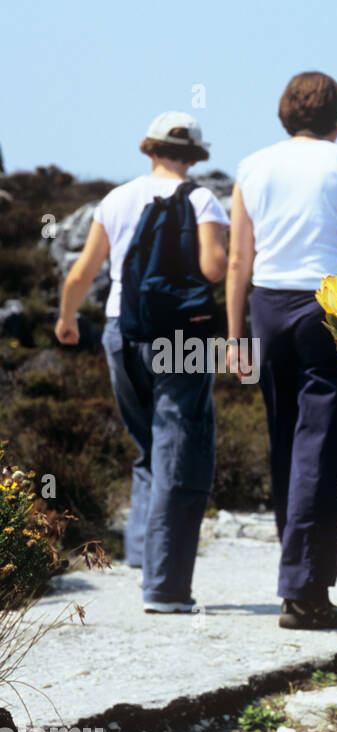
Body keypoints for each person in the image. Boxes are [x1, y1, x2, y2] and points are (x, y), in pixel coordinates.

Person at [226, 71, 337, 630]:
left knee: (286, 442)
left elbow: (237, 262)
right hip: (332, 304)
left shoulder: (252, 167)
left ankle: (298, 581)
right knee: (324, 449)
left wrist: (234, 339)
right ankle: (305, 593)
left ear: (284, 115)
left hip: (268, 308)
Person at [55, 112, 229, 612]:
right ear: (195, 156)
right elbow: (214, 269)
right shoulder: (202, 199)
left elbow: (82, 271)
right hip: (182, 338)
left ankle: (139, 553)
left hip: (121, 331)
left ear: (149, 150)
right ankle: (165, 588)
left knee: (149, 443)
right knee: (180, 448)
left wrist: (68, 320)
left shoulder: (115, 199)